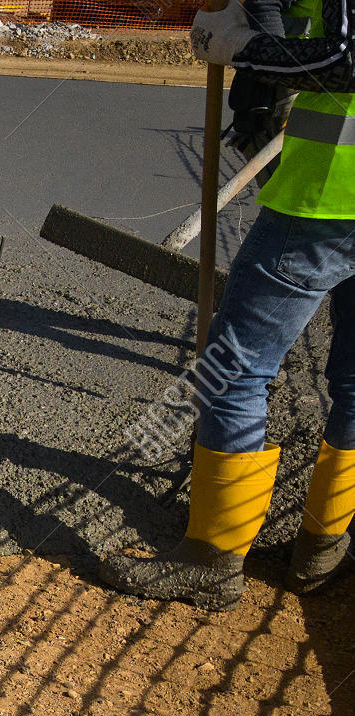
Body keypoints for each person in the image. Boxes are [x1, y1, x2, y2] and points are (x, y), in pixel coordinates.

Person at [101, 0, 355, 609]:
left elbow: (341, 58)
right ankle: (323, 550)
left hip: (329, 201)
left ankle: (214, 559)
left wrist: (237, 46)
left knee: (234, 369)